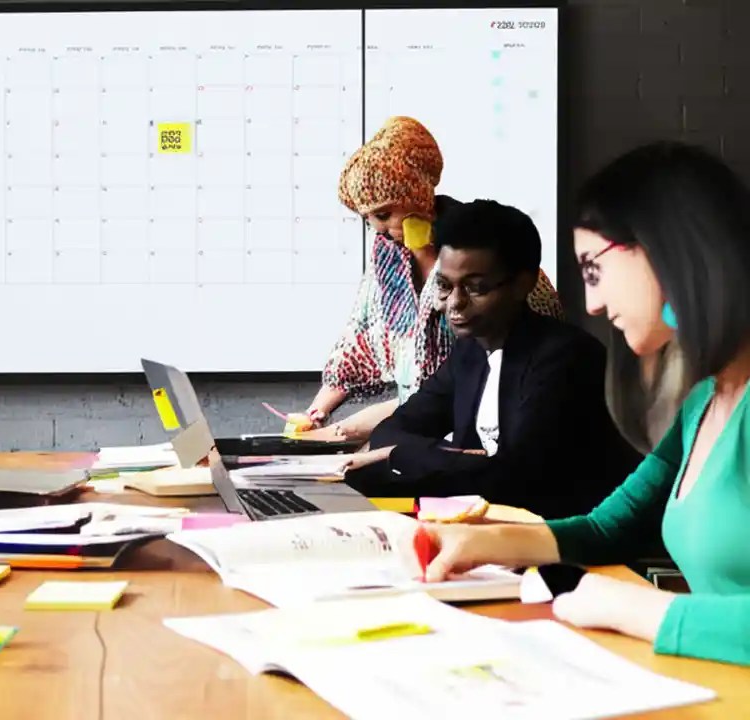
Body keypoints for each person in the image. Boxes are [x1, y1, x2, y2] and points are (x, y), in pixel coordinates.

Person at [419, 141, 750, 666]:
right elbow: (604, 529)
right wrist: (475, 544)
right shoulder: (705, 399)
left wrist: (638, 609)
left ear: (669, 249)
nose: (591, 302)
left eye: (593, 269)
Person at [343, 200, 639, 519]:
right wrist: (423, 453)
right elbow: (392, 430)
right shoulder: (469, 353)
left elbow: (513, 477)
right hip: (486, 528)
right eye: (444, 286)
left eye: (476, 288)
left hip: (560, 543)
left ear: (523, 284)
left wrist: (404, 456)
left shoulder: (565, 358)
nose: (454, 303)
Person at [303, 116, 562, 441]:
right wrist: (318, 411)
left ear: (418, 196)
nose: (378, 229)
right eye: (368, 220)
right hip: (421, 419)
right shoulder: (386, 258)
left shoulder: (481, 243)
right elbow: (364, 336)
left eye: (384, 215)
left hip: (491, 424)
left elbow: (535, 332)